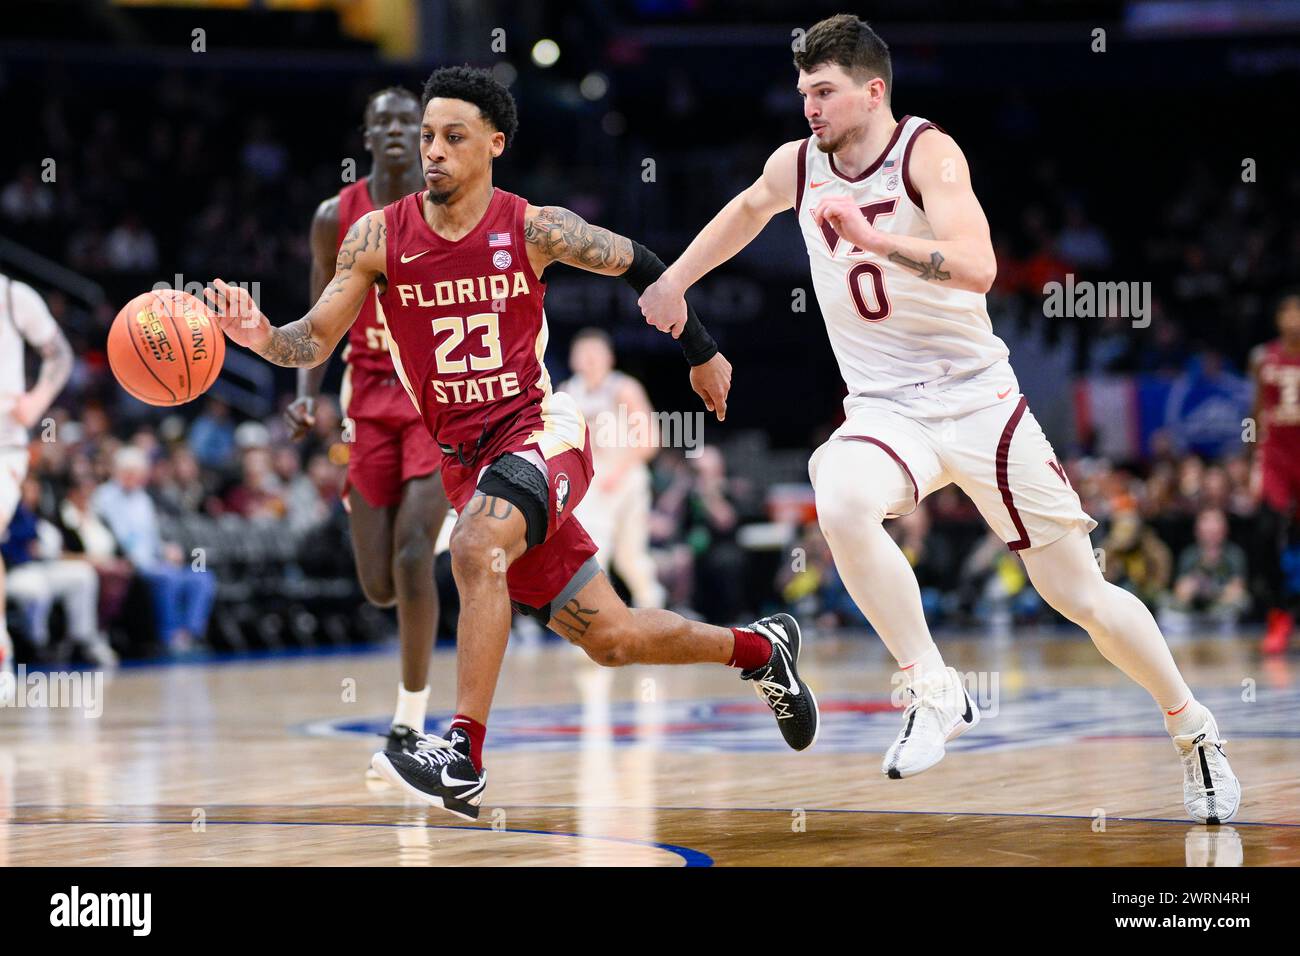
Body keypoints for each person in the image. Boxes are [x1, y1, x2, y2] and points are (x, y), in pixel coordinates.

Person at [638, 14, 1239, 823]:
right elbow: (748, 210)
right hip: (888, 409)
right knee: (839, 493)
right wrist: (675, 282)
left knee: (1080, 596)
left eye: (824, 91)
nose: (808, 107)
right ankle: (933, 686)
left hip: (979, 401)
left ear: (872, 90)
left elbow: (981, 267)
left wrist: (874, 239)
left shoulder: (928, 153)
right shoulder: (798, 164)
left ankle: (1193, 727)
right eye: (802, 92)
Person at [205, 65, 820, 820]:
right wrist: (258, 334)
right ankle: (763, 651)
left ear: (493, 144)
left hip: (541, 434)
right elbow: (311, 341)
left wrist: (701, 352)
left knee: (470, 548)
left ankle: (462, 754)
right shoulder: (375, 237)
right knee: (615, 638)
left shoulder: (533, 228)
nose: (432, 151)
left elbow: (643, 265)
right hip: (471, 467)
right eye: (427, 136)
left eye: (453, 138)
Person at [284, 88, 453, 779]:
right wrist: (303, 396)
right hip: (369, 399)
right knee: (379, 586)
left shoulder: (452, 204)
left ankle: (410, 723)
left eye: (404, 121)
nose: (392, 129)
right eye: (380, 119)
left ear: (422, 135)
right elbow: (321, 315)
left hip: (438, 400)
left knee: (415, 561)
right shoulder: (337, 216)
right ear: (366, 133)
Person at [1, 272, 73, 704]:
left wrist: (37, 401)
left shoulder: (13, 296)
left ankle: (1, 654)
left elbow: (59, 354)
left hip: (4, 444)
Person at [557, 328, 666, 609]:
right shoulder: (567, 393)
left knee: (631, 557)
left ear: (609, 358)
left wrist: (618, 471)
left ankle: (653, 615)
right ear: (573, 359)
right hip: (590, 480)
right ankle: (596, 621)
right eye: (584, 354)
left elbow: (651, 440)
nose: (590, 360)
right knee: (594, 549)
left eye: (596, 353)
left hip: (626, 474)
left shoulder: (624, 388)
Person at [93, 447, 216, 653]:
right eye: (130, 472)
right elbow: (113, 537)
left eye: (139, 473)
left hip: (155, 560)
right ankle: (169, 637)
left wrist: (167, 549)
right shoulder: (105, 497)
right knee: (168, 577)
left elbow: (152, 535)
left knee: (202, 576)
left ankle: (191, 634)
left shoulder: (143, 498)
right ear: (119, 472)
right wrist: (140, 559)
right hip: (130, 563)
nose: (136, 477)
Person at [2, 477, 117, 666]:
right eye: (27, 490)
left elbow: (42, 541)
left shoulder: (32, 512)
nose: (32, 494)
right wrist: (22, 547)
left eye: (34, 490)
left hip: (40, 567)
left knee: (83, 575)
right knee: (35, 589)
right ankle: (38, 644)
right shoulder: (6, 509)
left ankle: (81, 639)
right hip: (14, 571)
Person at [1250, 290, 1300, 654]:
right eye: (1288, 311)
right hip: (1277, 459)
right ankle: (1278, 615)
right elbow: (1255, 412)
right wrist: (1253, 461)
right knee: (1266, 532)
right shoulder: (1262, 358)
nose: (1293, 319)